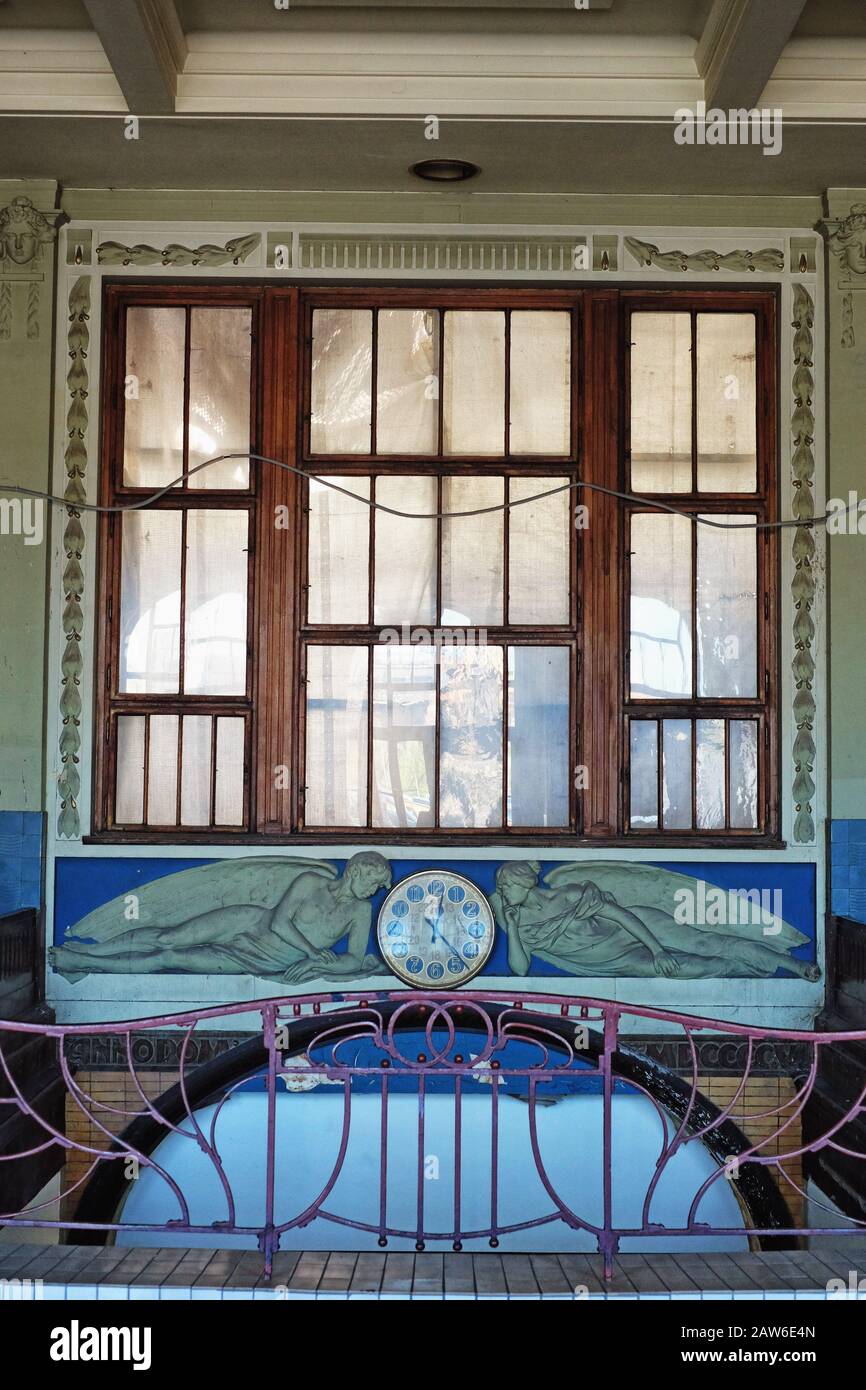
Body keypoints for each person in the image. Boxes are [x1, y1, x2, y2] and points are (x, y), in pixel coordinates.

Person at [490, 861, 820, 980]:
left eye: (506, 885)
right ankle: (746, 967)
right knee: (695, 967)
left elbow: (621, 914)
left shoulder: (569, 894)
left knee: (706, 942)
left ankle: (791, 965)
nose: (503, 892)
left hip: (636, 929)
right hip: (617, 960)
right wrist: (514, 928)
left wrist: (658, 949)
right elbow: (520, 968)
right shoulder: (522, 923)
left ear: (523, 881)